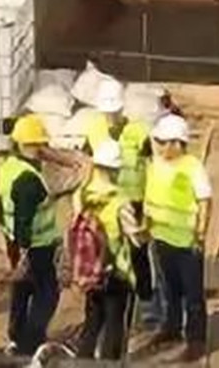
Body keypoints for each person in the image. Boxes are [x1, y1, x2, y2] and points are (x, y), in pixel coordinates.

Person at [83, 77, 157, 325]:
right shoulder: (94, 131)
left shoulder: (138, 132)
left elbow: (150, 164)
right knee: (102, 252)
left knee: (138, 252)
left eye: (114, 112)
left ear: (122, 109)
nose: (110, 118)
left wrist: (150, 204)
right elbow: (86, 165)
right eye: (107, 112)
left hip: (134, 201)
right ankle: (101, 303)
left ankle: (146, 300)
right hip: (105, 202)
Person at [145, 112, 212, 358]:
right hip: (161, 238)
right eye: (159, 142)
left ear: (177, 143)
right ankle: (171, 327)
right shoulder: (155, 163)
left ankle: (196, 340)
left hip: (186, 243)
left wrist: (200, 235)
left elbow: (205, 201)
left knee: (193, 294)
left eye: (164, 142)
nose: (160, 147)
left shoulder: (192, 168)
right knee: (169, 290)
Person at [74, 139, 146, 362]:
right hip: (116, 271)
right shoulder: (120, 202)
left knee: (92, 321)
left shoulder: (81, 195)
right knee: (115, 324)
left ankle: (82, 362)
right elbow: (135, 239)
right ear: (116, 169)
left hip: (90, 270)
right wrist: (148, 229)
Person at [0, 113, 60, 355]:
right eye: (37, 144)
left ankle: (16, 335)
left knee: (22, 289)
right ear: (24, 145)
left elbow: (1, 206)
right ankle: (31, 341)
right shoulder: (28, 180)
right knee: (47, 293)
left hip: (15, 241)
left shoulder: (8, 167)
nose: (41, 149)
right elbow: (24, 217)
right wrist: (24, 251)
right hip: (36, 245)